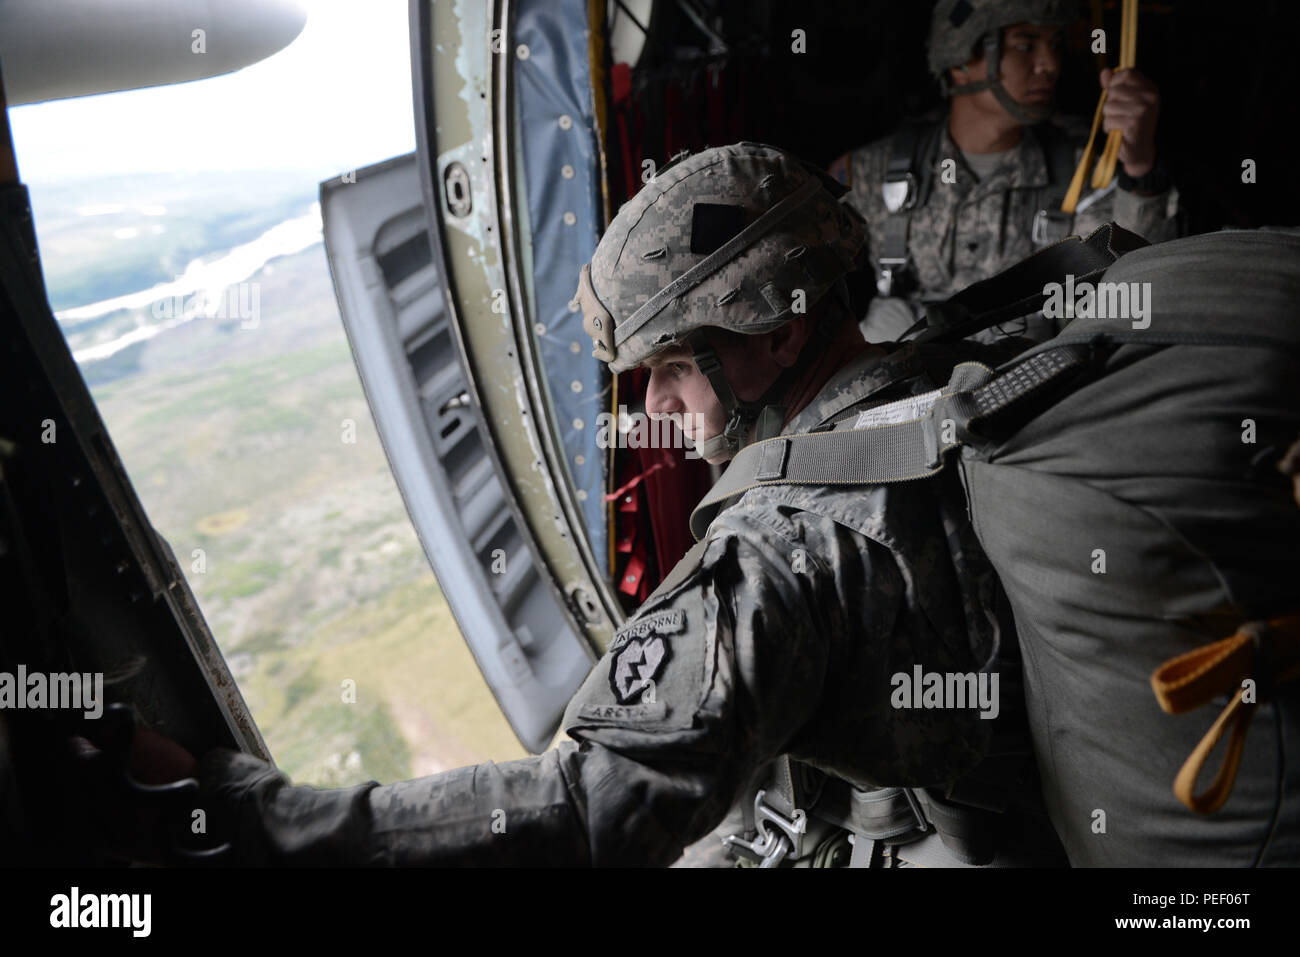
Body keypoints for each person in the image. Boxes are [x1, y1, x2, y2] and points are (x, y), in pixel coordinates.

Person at [172, 142, 1062, 867]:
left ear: (783, 331)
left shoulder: (785, 548)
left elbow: (581, 807)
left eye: (674, 366)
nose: (655, 408)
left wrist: (255, 815)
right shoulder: (946, 378)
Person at [832, 0, 1178, 344]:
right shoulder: (872, 172)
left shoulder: (1083, 172)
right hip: (897, 382)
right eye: (1026, 45)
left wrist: (1139, 166)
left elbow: (1133, 293)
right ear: (962, 59)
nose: (1050, 64)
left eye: (1055, 45)